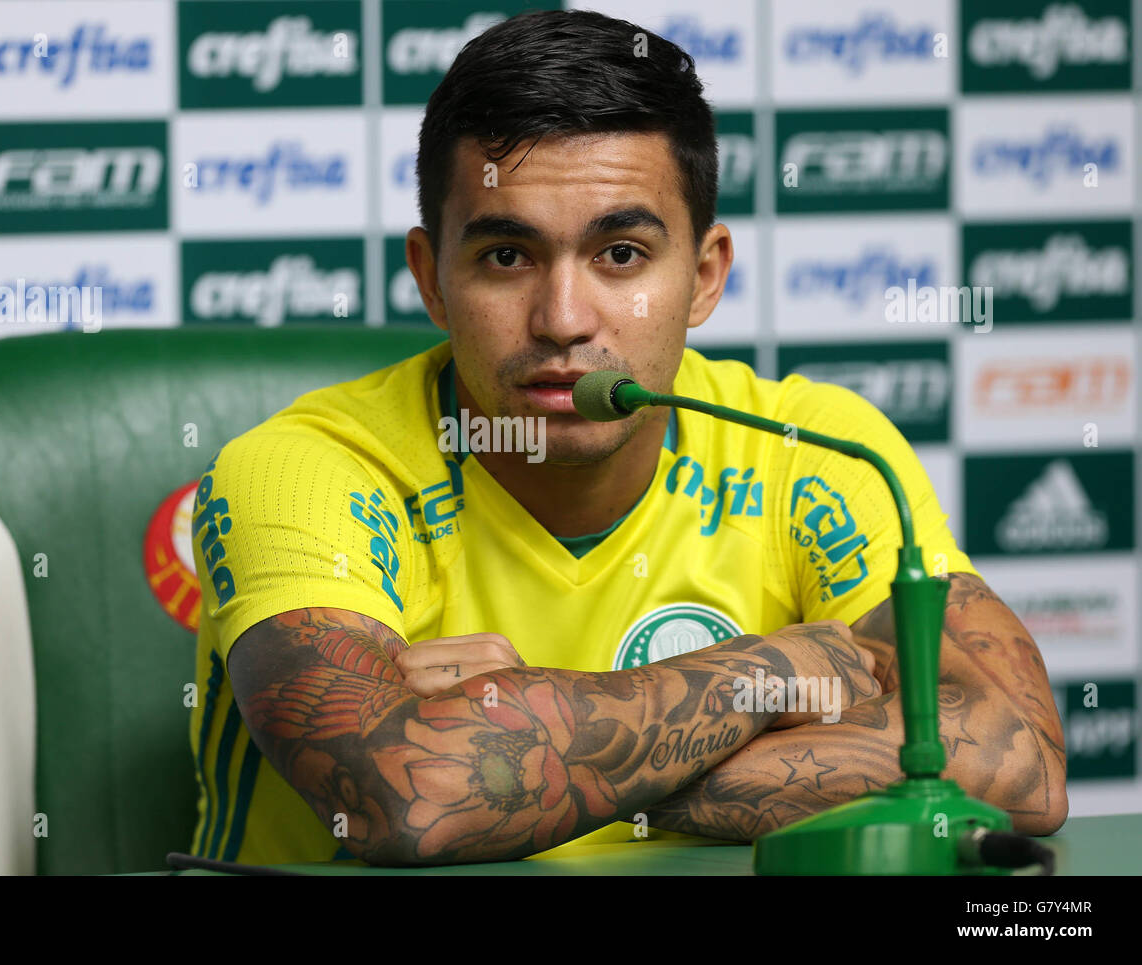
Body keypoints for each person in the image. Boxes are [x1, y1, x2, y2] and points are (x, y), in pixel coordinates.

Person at [187, 9, 1067, 868]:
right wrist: (776, 671)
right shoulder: (302, 472)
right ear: (431, 278)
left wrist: (521, 751)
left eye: (620, 254)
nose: (564, 320)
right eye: (506, 256)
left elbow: (1018, 755)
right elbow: (402, 794)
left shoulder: (819, 450)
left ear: (704, 275)